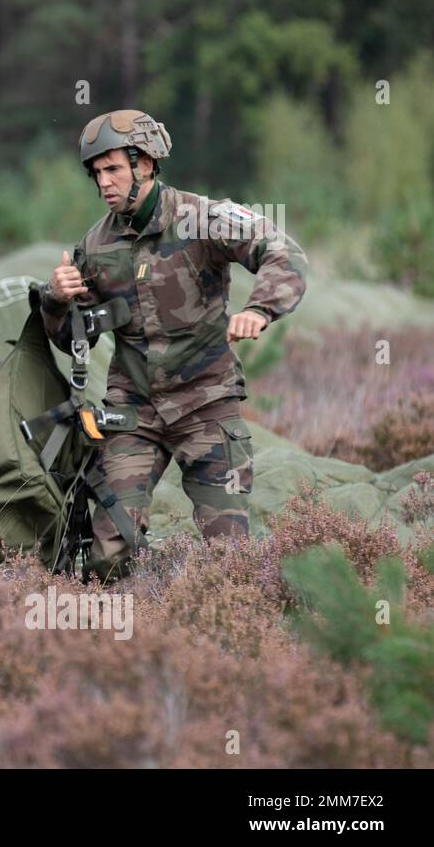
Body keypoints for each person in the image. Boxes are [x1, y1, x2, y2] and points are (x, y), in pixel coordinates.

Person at [38, 109, 308, 581]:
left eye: (113, 169)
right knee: (107, 553)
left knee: (231, 558)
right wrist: (57, 300)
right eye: (96, 173)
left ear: (145, 164)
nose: (104, 182)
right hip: (134, 413)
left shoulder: (204, 219)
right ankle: (118, 646)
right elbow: (72, 339)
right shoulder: (95, 245)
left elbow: (285, 253)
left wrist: (259, 310)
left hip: (206, 405)